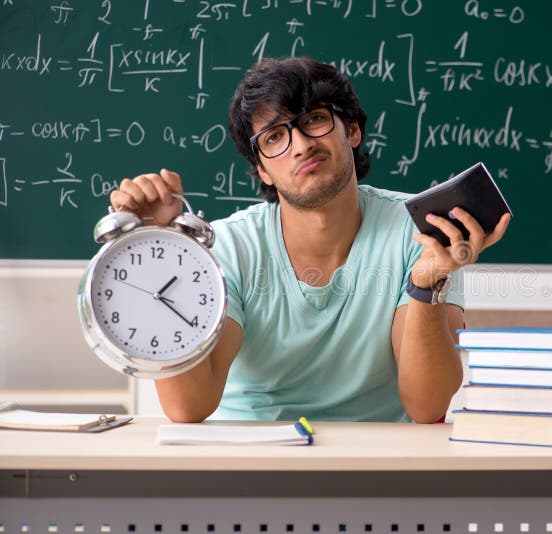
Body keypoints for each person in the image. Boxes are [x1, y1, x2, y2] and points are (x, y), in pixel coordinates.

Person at [109, 56, 511, 423]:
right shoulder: (228, 247)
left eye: (315, 119)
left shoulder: (421, 231)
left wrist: (428, 280)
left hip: (378, 465)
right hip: (251, 461)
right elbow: (187, 407)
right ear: (262, 170)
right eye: (273, 138)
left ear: (352, 130)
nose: (300, 145)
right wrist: (165, 253)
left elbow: (427, 407)